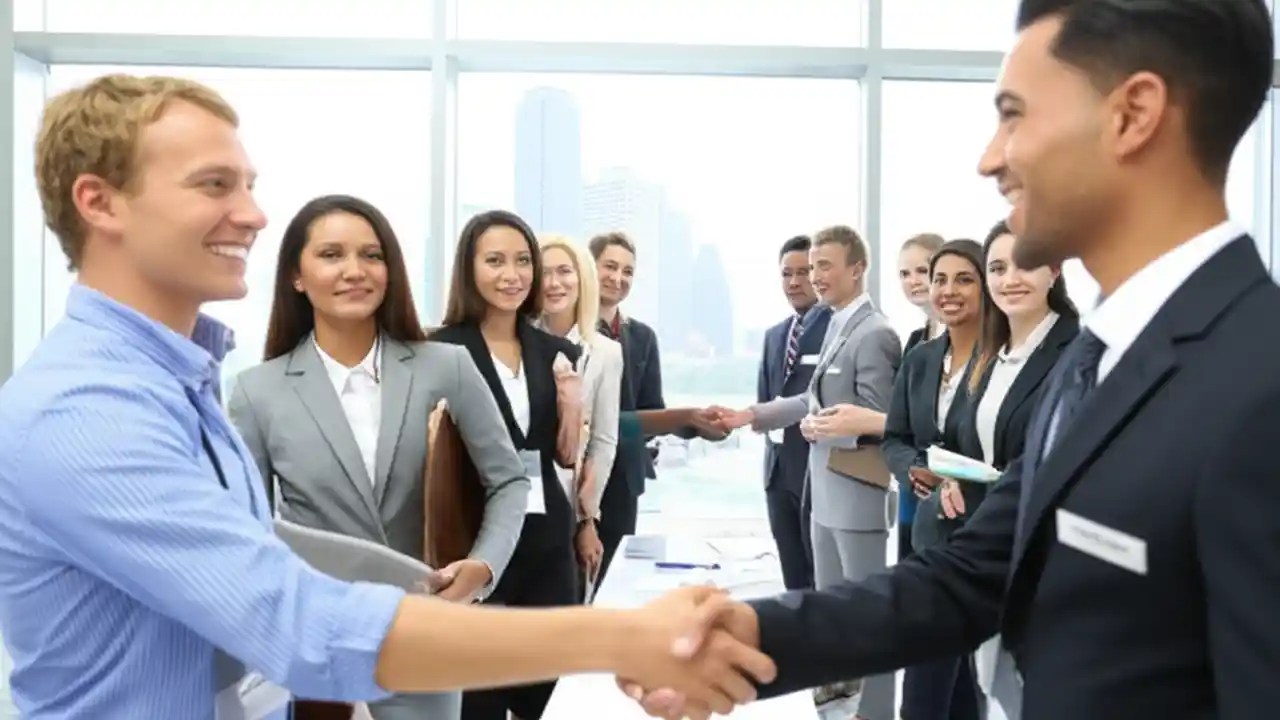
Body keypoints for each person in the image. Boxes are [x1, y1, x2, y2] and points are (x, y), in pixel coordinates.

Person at [0, 73, 776, 720]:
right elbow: (295, 622)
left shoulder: (178, 383)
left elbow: (260, 538)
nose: (254, 213)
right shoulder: (86, 412)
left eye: (249, 185)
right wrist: (620, 639)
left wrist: (437, 576)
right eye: (213, 185)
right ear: (100, 203)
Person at [627, 1, 1280, 719]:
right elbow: (974, 574)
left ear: (1133, 114)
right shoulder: (1096, 359)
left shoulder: (1259, 387)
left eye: (1015, 115)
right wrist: (751, 635)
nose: (991, 158)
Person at [228, 194, 531, 719]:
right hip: (316, 637)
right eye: (331, 255)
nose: (355, 271)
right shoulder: (257, 391)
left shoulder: (447, 366)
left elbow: (508, 480)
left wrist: (482, 567)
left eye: (371, 255)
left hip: (425, 625)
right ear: (296, 277)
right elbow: (250, 527)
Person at [716, 225, 901, 720]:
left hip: (857, 494)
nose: (816, 276)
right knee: (832, 613)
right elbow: (810, 401)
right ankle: (838, 708)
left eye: (825, 265)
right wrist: (753, 416)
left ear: (857, 268)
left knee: (868, 619)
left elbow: (883, 421)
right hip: (823, 491)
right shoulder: (840, 322)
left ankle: (877, 712)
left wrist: (826, 428)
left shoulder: (876, 332)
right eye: (812, 265)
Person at [430, 210, 585, 720]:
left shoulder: (555, 352)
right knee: (478, 697)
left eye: (523, 261)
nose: (511, 274)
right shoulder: (437, 350)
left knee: (549, 687)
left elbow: (565, 454)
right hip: (472, 538)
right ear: (469, 269)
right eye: (495, 261)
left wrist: (573, 403)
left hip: (546, 539)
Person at [940, 220, 1079, 719]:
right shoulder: (990, 355)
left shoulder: (1075, 352)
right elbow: (963, 440)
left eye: (1025, 264)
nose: (1010, 279)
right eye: (997, 268)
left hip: (1041, 555)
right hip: (984, 542)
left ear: (1055, 270)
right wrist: (953, 474)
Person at [882, 239, 987, 720]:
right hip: (926, 532)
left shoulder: (1003, 361)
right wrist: (911, 468)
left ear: (986, 286)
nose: (948, 290)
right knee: (929, 669)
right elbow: (895, 437)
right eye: (940, 279)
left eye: (964, 279)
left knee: (968, 676)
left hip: (983, 531)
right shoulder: (921, 358)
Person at [537, 232, 625, 592]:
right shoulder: (515, 341)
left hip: (570, 500)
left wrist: (588, 519)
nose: (554, 283)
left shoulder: (605, 353)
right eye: (544, 273)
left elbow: (603, 442)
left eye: (564, 271)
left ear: (582, 278)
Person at [756, 235, 831, 592]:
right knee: (792, 578)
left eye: (804, 272)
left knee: (821, 579)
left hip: (816, 471)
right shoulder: (774, 335)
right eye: (787, 274)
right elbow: (763, 402)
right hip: (777, 473)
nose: (795, 282)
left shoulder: (837, 329)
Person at [898, 233, 946, 357]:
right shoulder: (914, 341)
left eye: (922, 271)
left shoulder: (967, 336)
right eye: (905, 274)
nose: (913, 281)